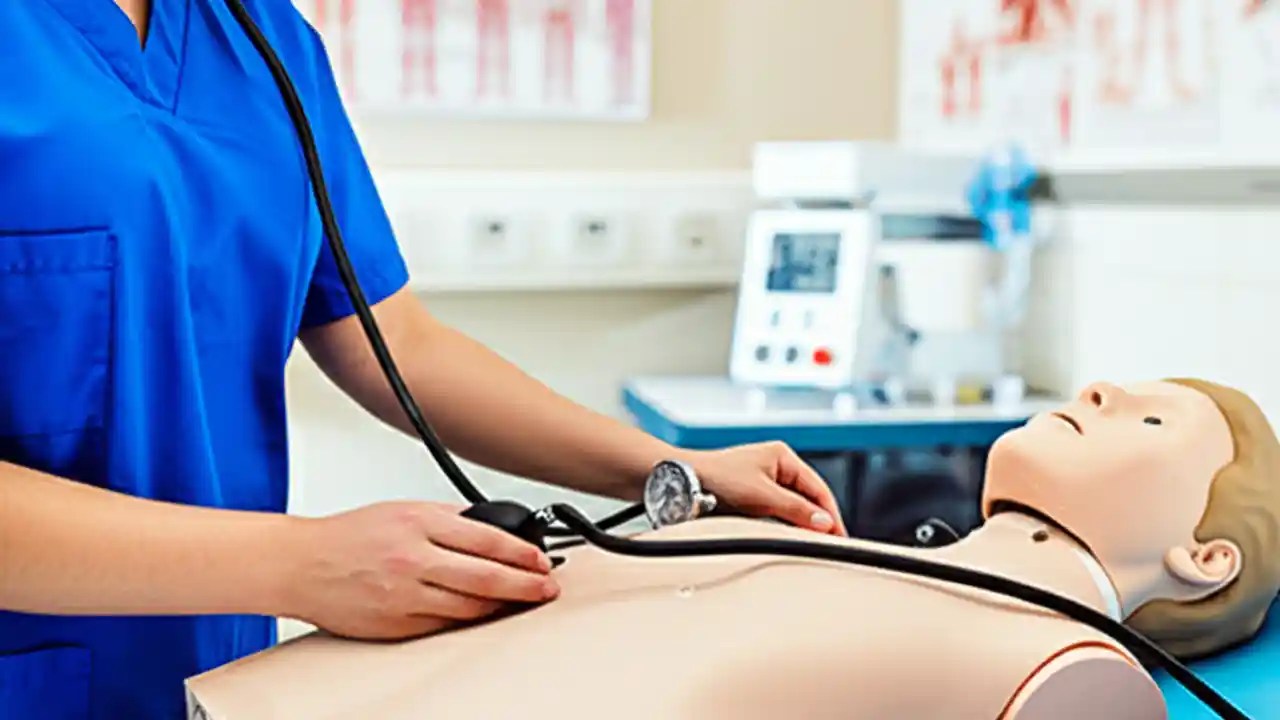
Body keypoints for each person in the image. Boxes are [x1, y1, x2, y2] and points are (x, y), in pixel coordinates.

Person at [0, 2, 847, 718]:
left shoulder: (260, 38)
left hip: (219, 677)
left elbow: (393, 344)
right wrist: (302, 565)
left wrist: (670, 470)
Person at [187, 378, 1280, 718]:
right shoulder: (828, 549)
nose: (1093, 388)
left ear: (1202, 558)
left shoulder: (1069, 671)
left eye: (1146, 419)